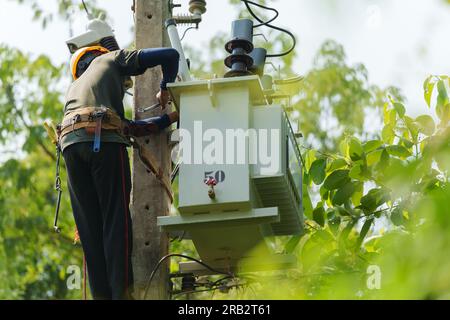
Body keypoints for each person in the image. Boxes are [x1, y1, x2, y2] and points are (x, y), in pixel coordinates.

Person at [60, 45, 179, 299]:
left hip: (71, 145)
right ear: (97, 54)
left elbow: (130, 128)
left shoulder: (77, 92)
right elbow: (171, 55)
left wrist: (170, 118)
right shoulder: (112, 58)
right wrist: (165, 88)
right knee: (117, 224)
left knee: (91, 233)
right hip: (103, 141)